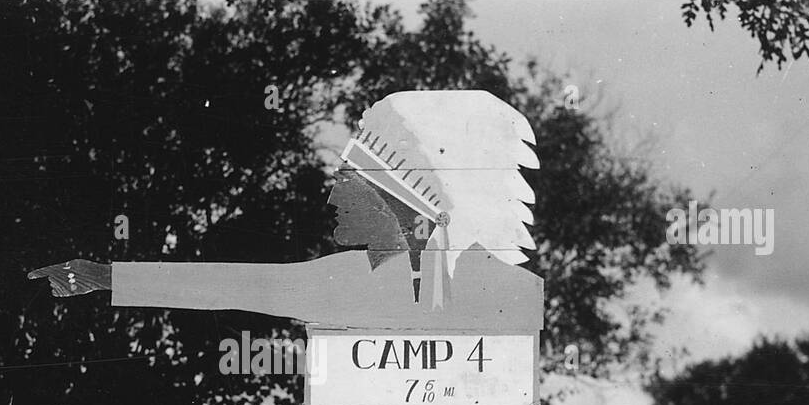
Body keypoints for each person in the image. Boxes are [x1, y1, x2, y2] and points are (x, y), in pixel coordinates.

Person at [29, 90, 542, 331]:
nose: (332, 197)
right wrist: (104, 277)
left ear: (414, 208)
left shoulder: (504, 295)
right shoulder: (348, 281)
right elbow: (234, 285)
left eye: (350, 183)